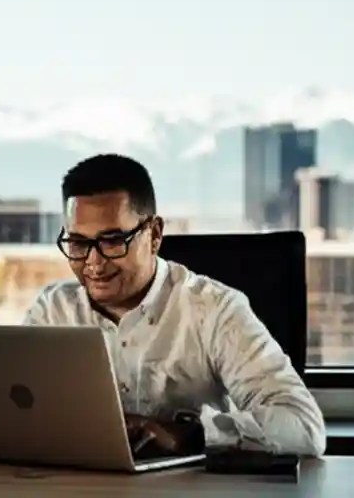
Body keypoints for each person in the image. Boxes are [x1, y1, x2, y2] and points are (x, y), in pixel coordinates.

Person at [23, 153, 326, 458]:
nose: (94, 262)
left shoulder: (214, 309)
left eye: (113, 240)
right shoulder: (52, 311)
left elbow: (303, 425)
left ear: (154, 235)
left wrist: (192, 434)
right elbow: (16, 411)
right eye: (78, 243)